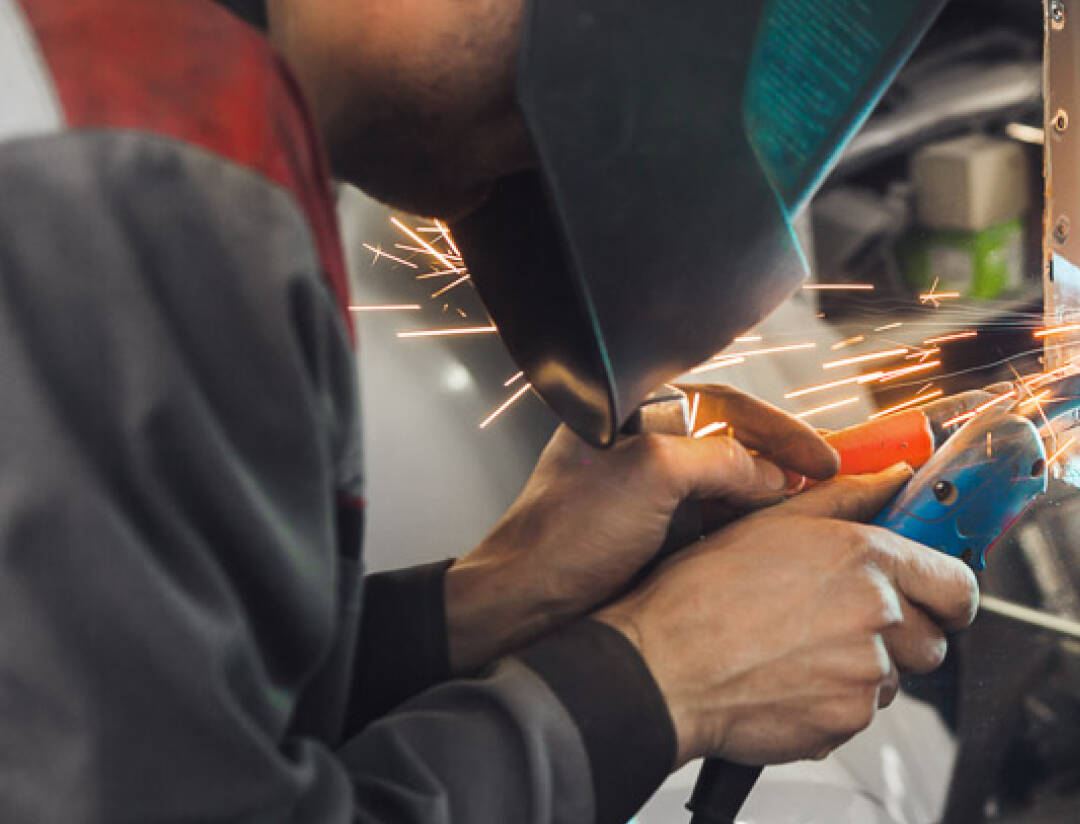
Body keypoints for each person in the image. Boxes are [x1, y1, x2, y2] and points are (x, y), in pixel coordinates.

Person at [0, 0, 976, 821]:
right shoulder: (125, 161)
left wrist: (497, 596)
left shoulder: (141, 89)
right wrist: (668, 675)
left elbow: (153, 726)